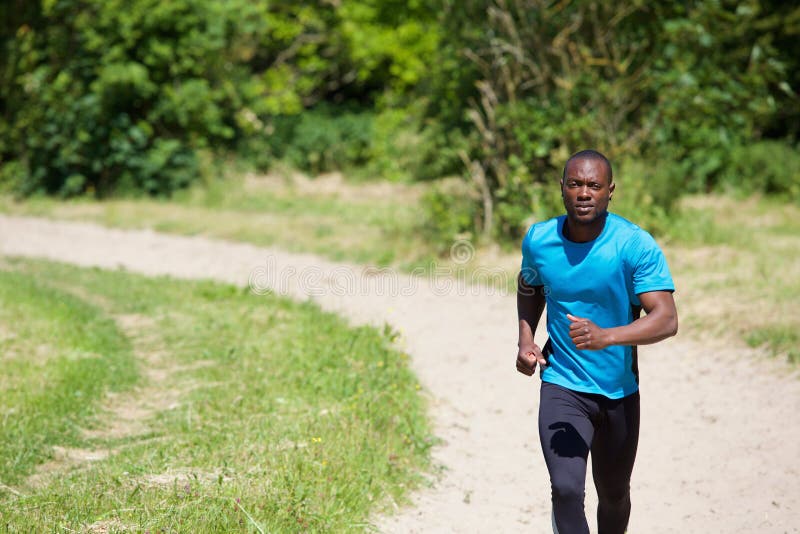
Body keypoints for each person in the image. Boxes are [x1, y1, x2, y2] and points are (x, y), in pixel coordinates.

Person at [516, 149, 678, 534]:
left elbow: (667, 318)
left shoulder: (633, 245)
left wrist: (606, 337)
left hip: (618, 391)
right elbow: (529, 284)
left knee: (614, 494)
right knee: (566, 489)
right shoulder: (540, 239)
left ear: (610, 191)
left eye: (594, 185)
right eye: (575, 184)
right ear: (562, 188)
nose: (584, 193)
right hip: (562, 383)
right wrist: (526, 338)